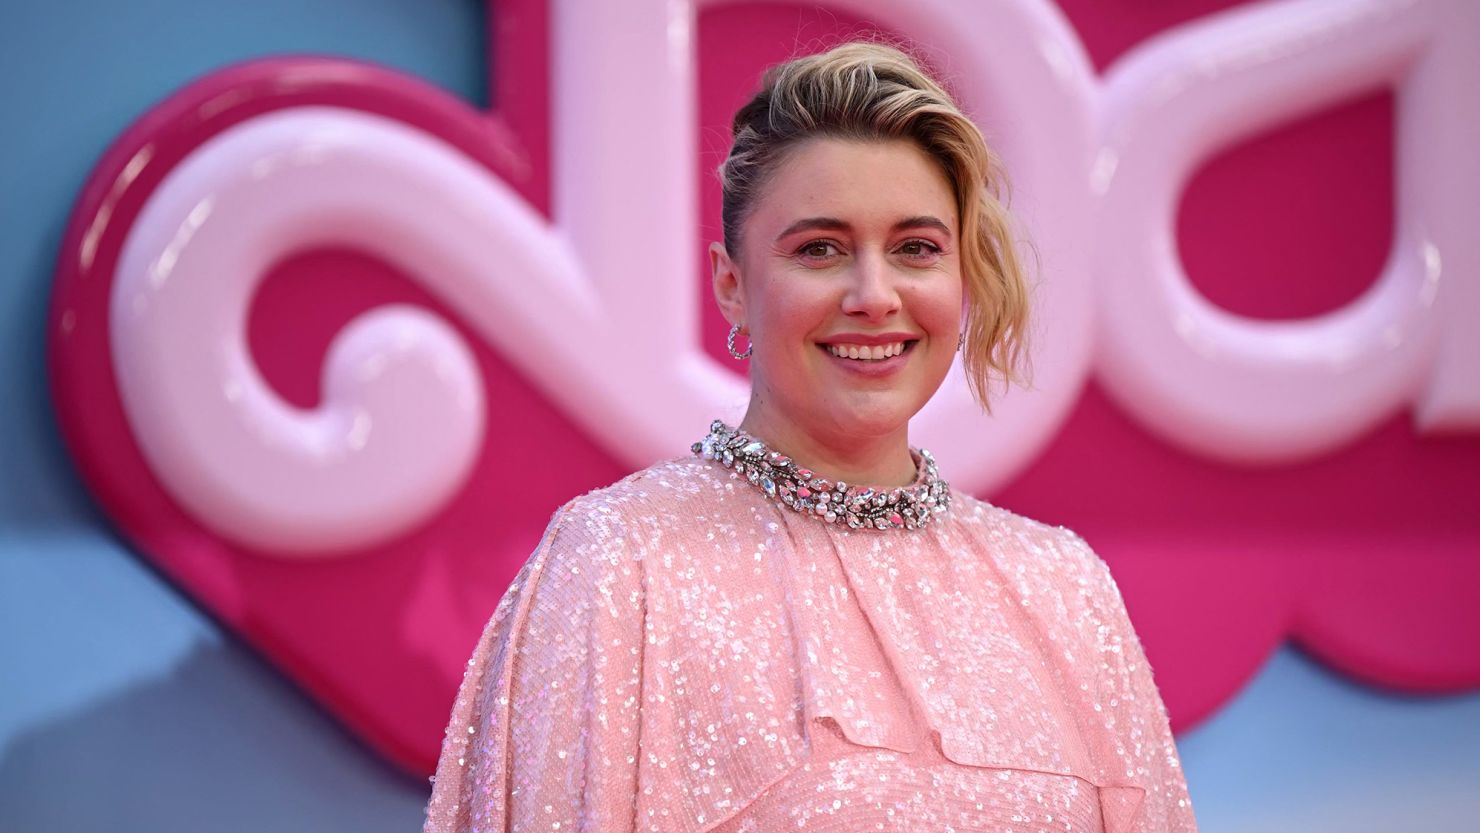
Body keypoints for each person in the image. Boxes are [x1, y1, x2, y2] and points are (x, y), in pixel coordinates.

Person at [423, 41, 1197, 832]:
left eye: (916, 249)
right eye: (820, 249)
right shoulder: (621, 560)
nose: (873, 293)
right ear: (733, 284)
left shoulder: (1064, 588)